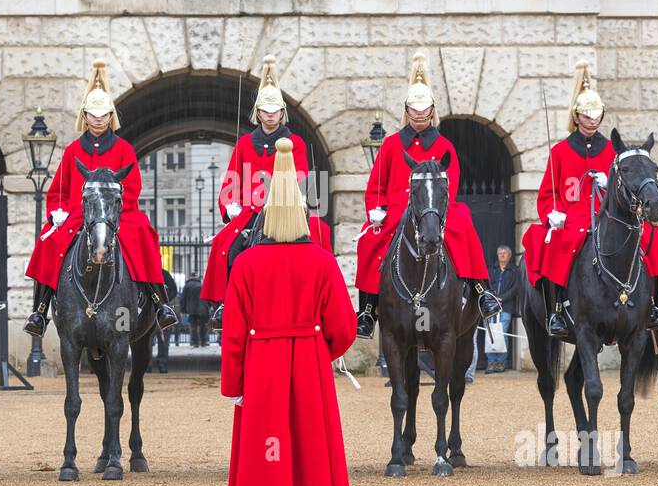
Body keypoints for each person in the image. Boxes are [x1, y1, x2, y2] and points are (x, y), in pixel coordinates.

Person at [220, 138, 356, 486]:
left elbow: (234, 333)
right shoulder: (320, 260)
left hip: (262, 364)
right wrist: (319, 346)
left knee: (267, 448)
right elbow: (344, 327)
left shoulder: (245, 265)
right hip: (309, 362)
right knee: (308, 448)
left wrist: (235, 383)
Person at [23, 62, 179, 336]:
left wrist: (111, 209)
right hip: (77, 214)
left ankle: (159, 302)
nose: (98, 119)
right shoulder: (72, 151)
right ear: (85, 116)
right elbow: (58, 190)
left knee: (143, 233)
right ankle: (40, 309)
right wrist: (56, 212)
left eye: (103, 114)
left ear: (110, 116)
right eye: (93, 115)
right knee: (49, 239)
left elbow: (132, 188)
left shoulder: (124, 149)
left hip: (119, 213)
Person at [355, 53, 499, 338]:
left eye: (424, 111)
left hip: (436, 208)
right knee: (369, 239)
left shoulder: (444, 144)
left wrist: (436, 207)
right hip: (398, 209)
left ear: (431, 111)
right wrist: (376, 209)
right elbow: (376, 186)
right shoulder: (391, 145)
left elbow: (452, 182)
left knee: (464, 222)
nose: (419, 117)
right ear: (407, 111)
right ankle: (368, 309)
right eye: (414, 111)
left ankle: (482, 291)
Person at [522, 60, 658, 338]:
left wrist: (609, 184)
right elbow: (548, 192)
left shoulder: (612, 151)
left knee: (653, 238)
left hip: (608, 213)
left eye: (596, 115)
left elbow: (628, 184)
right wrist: (552, 212)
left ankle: (652, 306)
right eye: (587, 116)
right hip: (572, 215)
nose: (592, 121)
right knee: (553, 243)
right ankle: (556, 312)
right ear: (577, 117)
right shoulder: (561, 151)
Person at [202, 56, 333, 329]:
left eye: (275, 111)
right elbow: (231, 181)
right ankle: (225, 303)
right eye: (265, 110)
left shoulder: (294, 143)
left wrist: (290, 200)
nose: (270, 115)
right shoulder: (245, 144)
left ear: (282, 113)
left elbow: (300, 177)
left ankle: (324, 300)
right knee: (226, 246)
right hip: (250, 211)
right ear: (258, 112)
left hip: (286, 208)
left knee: (321, 236)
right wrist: (231, 205)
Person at [486, 245, 518, 373]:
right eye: (500, 253)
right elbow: (485, 284)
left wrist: (502, 298)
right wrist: (492, 298)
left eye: (505, 253)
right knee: (490, 334)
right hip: (490, 306)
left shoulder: (514, 270)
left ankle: (501, 362)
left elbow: (516, 288)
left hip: (505, 307)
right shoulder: (491, 269)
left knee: (502, 334)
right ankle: (491, 362)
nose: (502, 255)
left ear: (509, 256)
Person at [181, 273, 207, 347]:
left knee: (193, 326)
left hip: (191, 310)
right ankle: (203, 341)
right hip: (203, 309)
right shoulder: (201, 285)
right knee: (202, 326)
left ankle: (195, 342)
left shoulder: (187, 286)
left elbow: (183, 299)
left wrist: (182, 310)